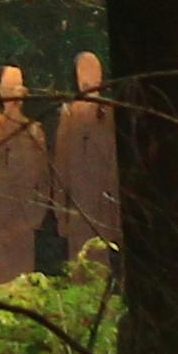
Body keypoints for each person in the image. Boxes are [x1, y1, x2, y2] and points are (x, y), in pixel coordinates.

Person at [0, 63, 50, 288]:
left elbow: (44, 180)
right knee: (1, 281)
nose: (16, 95)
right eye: (10, 88)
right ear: (0, 93)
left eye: (19, 88)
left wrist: (36, 217)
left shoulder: (34, 131)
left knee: (24, 282)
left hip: (25, 221)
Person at [48, 49, 119, 252]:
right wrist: (61, 212)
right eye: (83, 72)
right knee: (80, 260)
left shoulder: (110, 112)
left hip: (105, 204)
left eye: (93, 71)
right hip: (78, 203)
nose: (88, 78)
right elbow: (60, 165)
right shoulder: (69, 114)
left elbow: (114, 161)